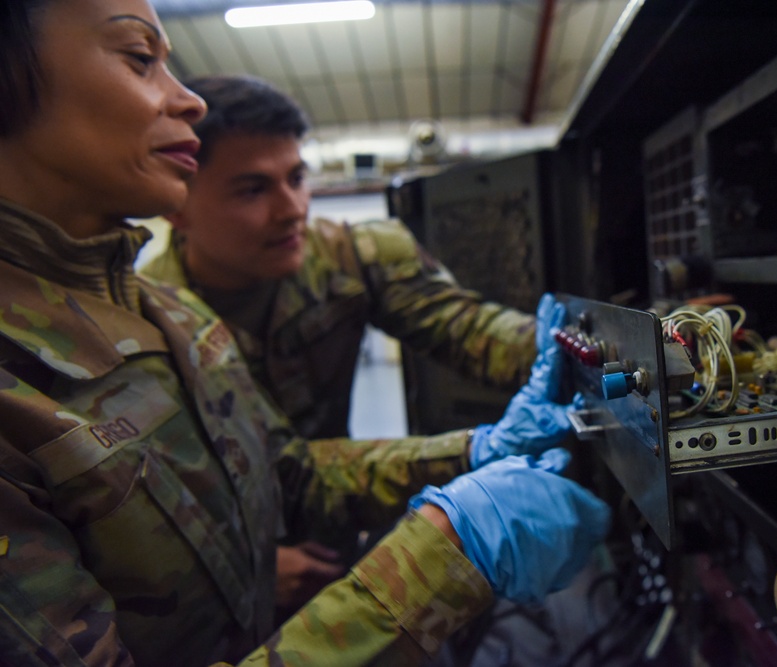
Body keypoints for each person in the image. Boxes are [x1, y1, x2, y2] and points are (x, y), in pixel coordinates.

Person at [0, 1, 610, 666]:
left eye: (296, 178)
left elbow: (286, 474)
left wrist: (480, 450)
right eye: (140, 57)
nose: (188, 101)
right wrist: (443, 556)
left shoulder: (168, 316)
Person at [137, 74, 544, 614]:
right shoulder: (146, 331)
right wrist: (247, 567)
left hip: (343, 520)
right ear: (177, 204)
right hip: (224, 584)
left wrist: (594, 348)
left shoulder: (351, 257)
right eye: (254, 189)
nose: (293, 208)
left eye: (297, 177)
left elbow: (470, 330)